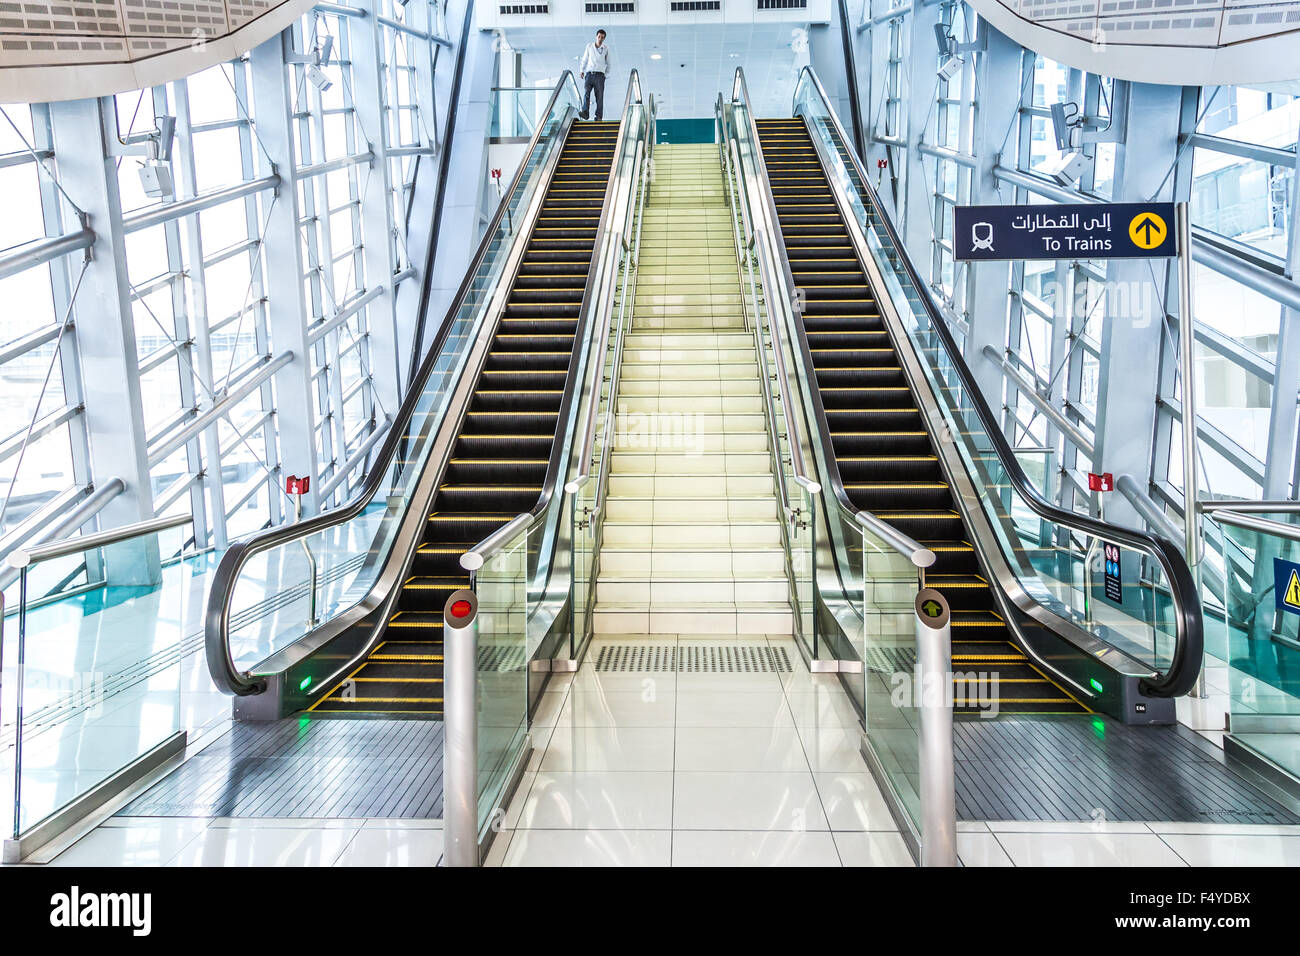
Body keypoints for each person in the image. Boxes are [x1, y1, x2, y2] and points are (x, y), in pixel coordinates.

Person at [578, 29, 611, 121]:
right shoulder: (589, 46)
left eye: (602, 37)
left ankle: (599, 116)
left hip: (600, 75)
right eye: (599, 36)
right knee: (586, 94)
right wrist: (581, 70)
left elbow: (609, 62)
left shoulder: (606, 48)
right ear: (596, 36)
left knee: (599, 97)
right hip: (589, 74)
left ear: (604, 39)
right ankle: (585, 113)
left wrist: (605, 75)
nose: (600, 39)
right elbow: (585, 59)